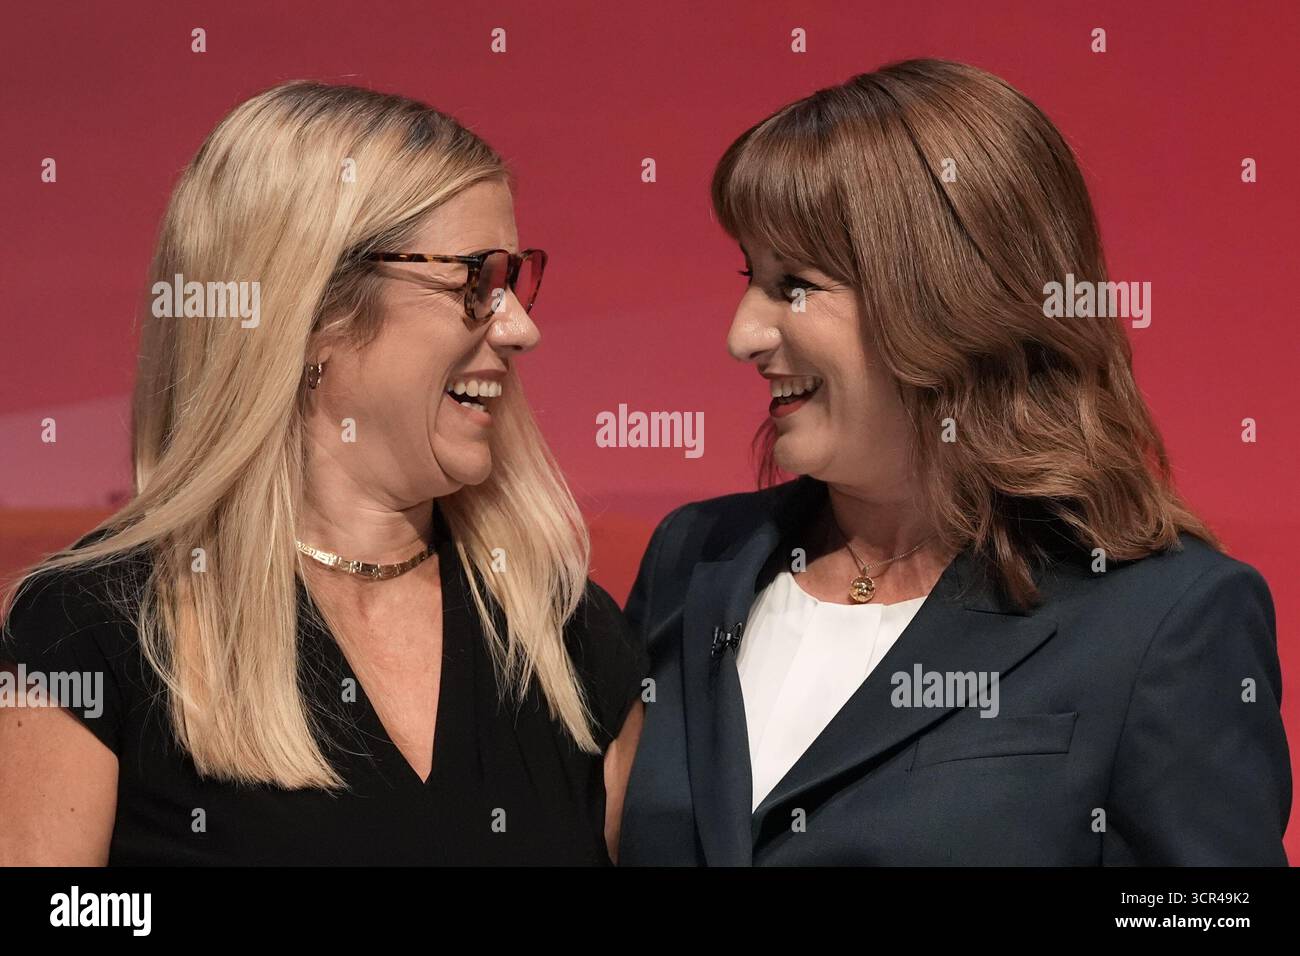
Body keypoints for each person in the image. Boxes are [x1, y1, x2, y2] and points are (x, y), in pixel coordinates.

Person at [617, 59, 1290, 866]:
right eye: (749, 278)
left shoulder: (1166, 618)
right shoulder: (694, 560)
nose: (743, 334)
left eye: (793, 285)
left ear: (947, 299)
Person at [0, 81, 645, 866]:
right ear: (313, 315)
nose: (522, 327)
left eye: (515, 280)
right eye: (476, 280)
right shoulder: (89, 630)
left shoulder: (563, 630)